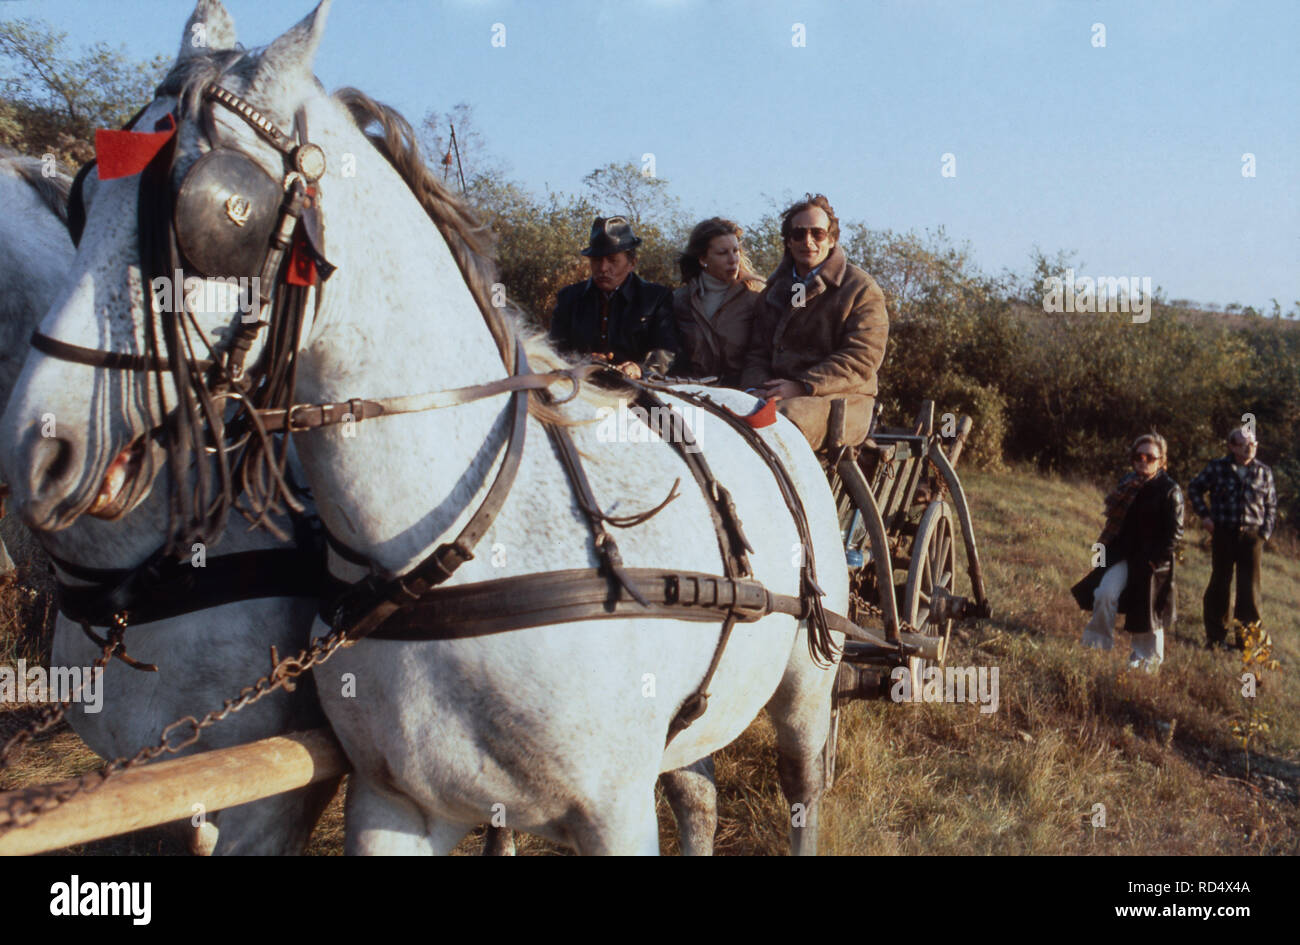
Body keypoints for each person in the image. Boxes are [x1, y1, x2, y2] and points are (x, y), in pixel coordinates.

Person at [737, 194, 888, 451]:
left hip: (844, 399)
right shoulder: (773, 292)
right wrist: (755, 389)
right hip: (777, 395)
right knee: (728, 416)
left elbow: (861, 358)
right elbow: (757, 353)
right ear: (789, 241)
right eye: (799, 234)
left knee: (777, 423)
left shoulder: (860, 288)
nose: (808, 241)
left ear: (832, 239)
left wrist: (802, 386)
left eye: (817, 234)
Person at [1072, 434, 1184, 672]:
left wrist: (1153, 562)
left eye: (1150, 457)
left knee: (1148, 612)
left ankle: (1147, 662)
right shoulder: (1127, 483)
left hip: (1152, 561)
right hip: (1123, 555)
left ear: (1162, 461)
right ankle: (1096, 644)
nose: (1143, 461)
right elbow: (1115, 524)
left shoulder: (1170, 490)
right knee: (1104, 593)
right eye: (1138, 456)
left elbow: (1174, 535)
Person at [548, 215, 678, 378]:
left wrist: (640, 369)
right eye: (597, 260)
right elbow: (554, 350)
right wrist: (581, 361)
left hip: (637, 387)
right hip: (580, 384)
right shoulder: (569, 298)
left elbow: (666, 351)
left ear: (632, 263)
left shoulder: (656, 298)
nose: (603, 268)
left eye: (612, 260)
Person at [1187, 426, 1278, 650]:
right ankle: (1216, 638)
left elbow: (1271, 505)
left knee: (1250, 591)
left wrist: (1264, 533)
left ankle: (1246, 642)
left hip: (1252, 537)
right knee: (1219, 585)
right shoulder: (1217, 467)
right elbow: (1194, 488)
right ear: (1232, 446)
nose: (1249, 448)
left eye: (1253, 444)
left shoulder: (1263, 472)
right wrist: (1205, 517)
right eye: (1243, 444)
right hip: (1223, 534)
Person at [669, 218, 765, 386]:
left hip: (742, 392)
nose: (733, 259)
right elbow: (665, 355)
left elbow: (764, 355)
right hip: (690, 391)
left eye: (735, 251)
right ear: (702, 259)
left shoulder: (757, 295)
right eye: (723, 253)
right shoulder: (679, 300)